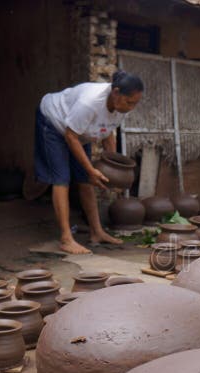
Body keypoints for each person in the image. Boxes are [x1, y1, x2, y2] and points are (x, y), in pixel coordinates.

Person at [35, 71, 143, 254]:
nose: (131, 107)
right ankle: (66, 238)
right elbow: (70, 136)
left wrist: (113, 165)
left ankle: (97, 232)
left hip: (79, 133)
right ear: (115, 92)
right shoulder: (90, 103)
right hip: (54, 122)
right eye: (129, 102)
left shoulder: (120, 107)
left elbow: (108, 132)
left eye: (135, 103)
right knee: (62, 178)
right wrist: (90, 169)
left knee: (85, 180)